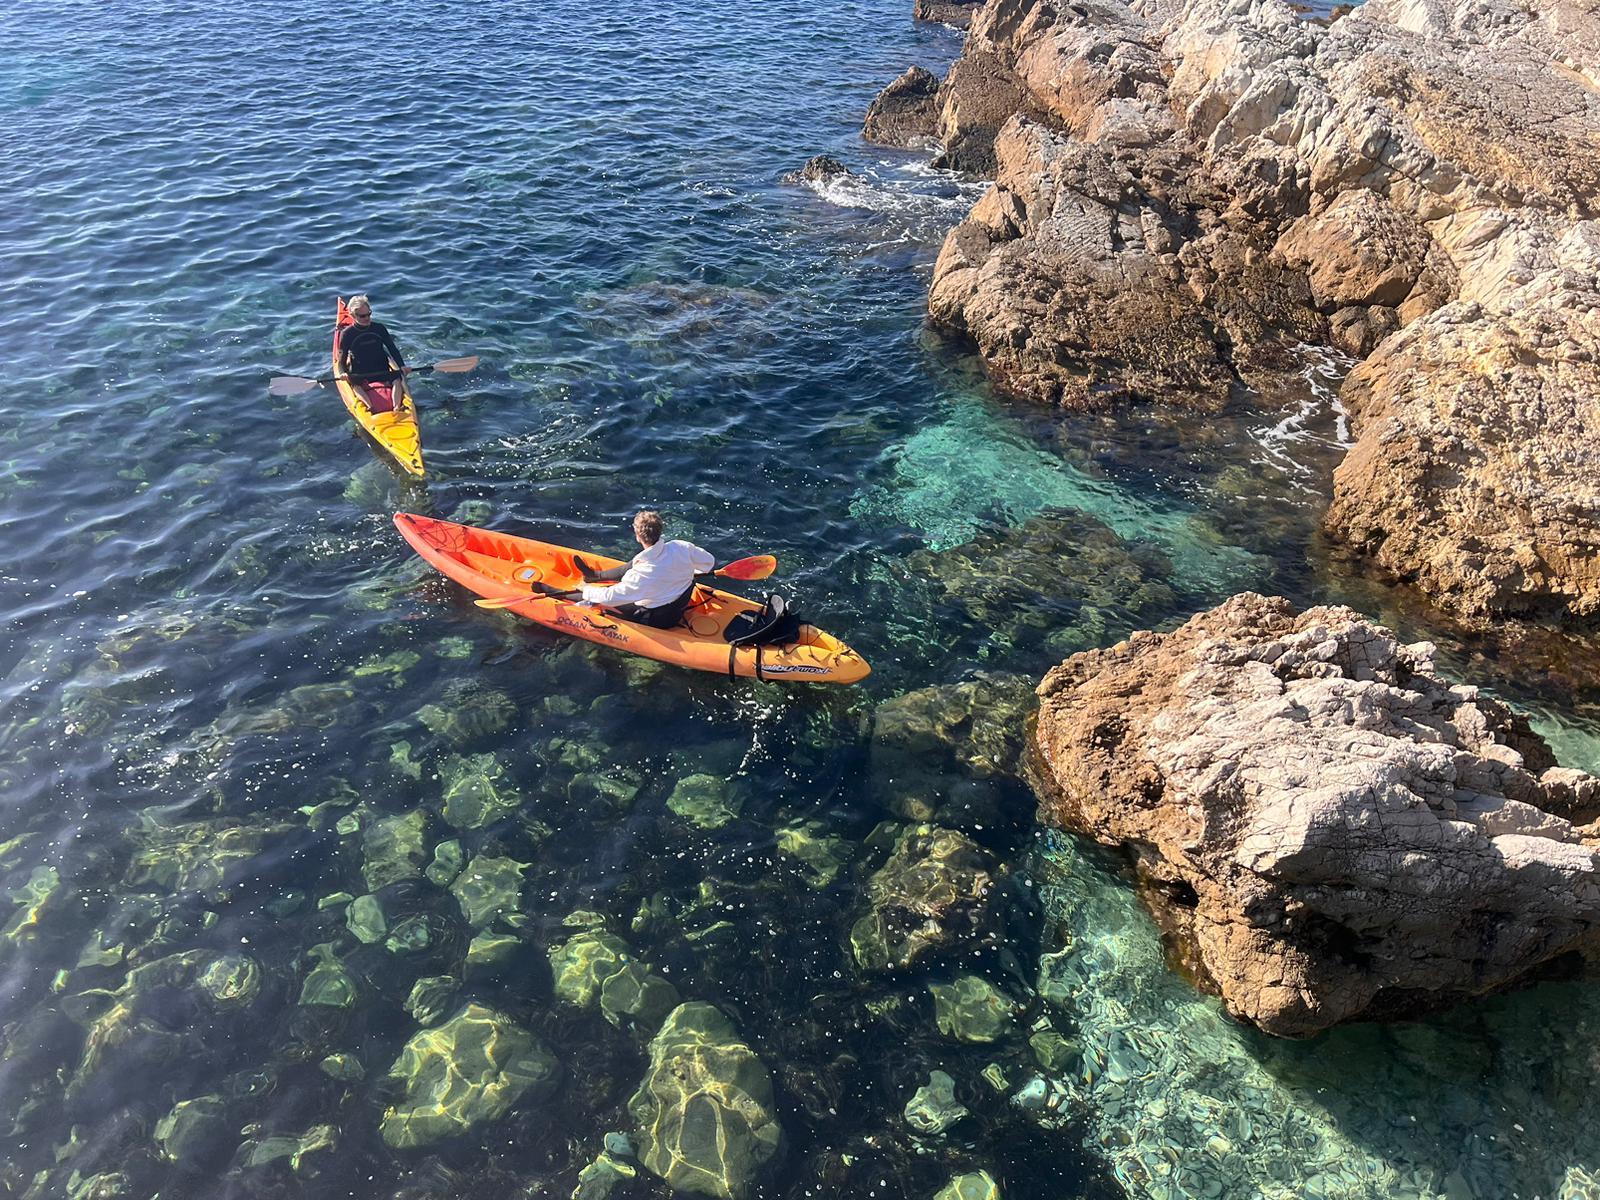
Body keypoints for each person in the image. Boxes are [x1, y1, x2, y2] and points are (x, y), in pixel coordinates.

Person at [553, 510, 714, 629]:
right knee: (636, 562)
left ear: (638, 536)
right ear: (660, 530)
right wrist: (688, 570)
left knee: (599, 596)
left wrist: (586, 589)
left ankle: (554, 592)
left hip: (658, 617)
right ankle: (594, 576)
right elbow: (709, 562)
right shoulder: (681, 547)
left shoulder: (642, 575)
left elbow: (609, 597)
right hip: (679, 601)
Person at [338, 294, 410, 414]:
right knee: (354, 383)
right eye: (362, 316)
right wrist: (342, 373)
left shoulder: (379, 328)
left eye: (369, 314)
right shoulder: (347, 333)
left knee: (397, 378)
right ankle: (370, 408)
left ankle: (397, 407)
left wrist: (402, 366)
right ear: (352, 316)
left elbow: (392, 349)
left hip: (382, 368)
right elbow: (342, 358)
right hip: (360, 372)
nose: (367, 318)